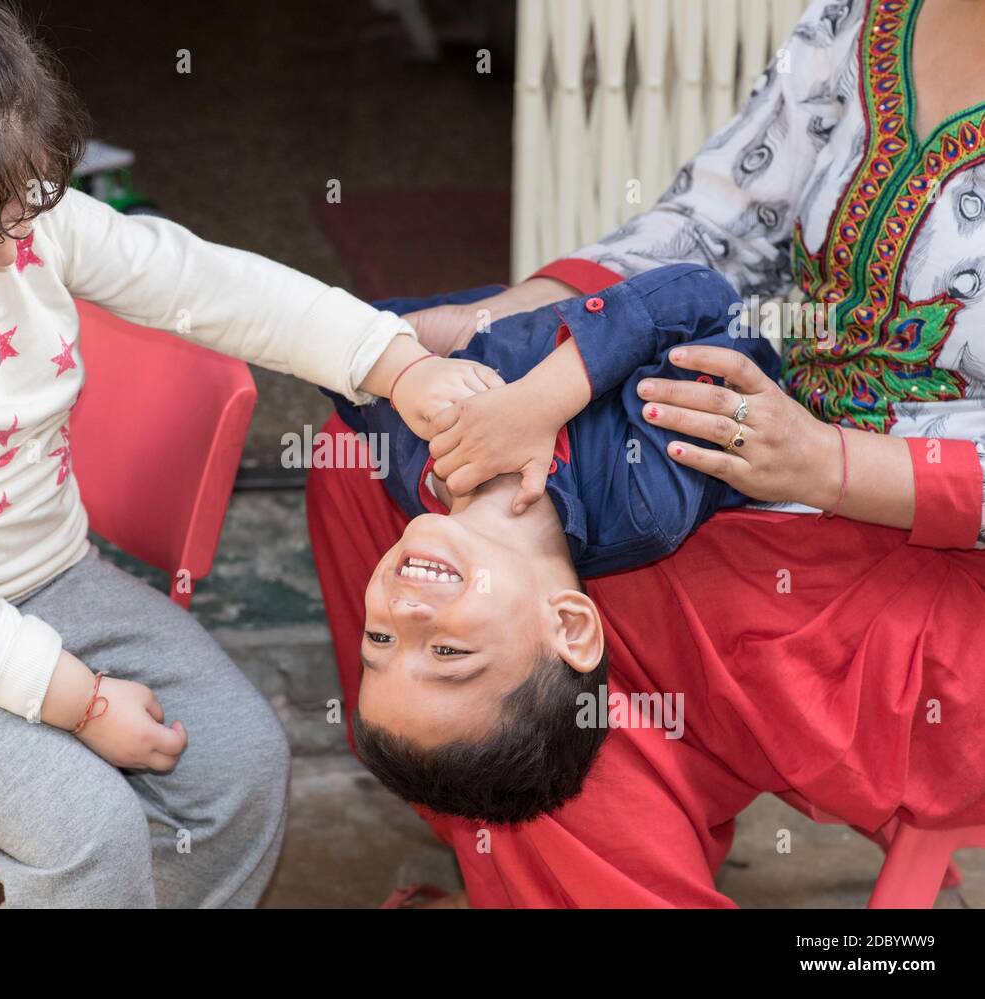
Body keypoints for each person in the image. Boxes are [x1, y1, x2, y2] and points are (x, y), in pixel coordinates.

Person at [0, 0, 500, 908]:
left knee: (239, 763)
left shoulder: (17, 222)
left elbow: (200, 281)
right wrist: (83, 703)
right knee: (84, 830)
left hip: (54, 582)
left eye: (20, 209)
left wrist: (390, 360)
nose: (14, 246)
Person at [309, 0, 985, 906]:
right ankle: (528, 865)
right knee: (365, 454)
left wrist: (830, 466)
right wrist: (500, 335)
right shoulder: (870, 15)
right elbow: (713, 230)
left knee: (533, 630)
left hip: (937, 586)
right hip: (777, 466)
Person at [316, 264, 780, 825]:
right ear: (569, 626)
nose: (406, 612)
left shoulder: (411, 459)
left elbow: (336, 350)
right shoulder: (645, 499)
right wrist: (542, 400)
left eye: (380, 638)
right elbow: (706, 300)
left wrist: (411, 350)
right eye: (447, 653)